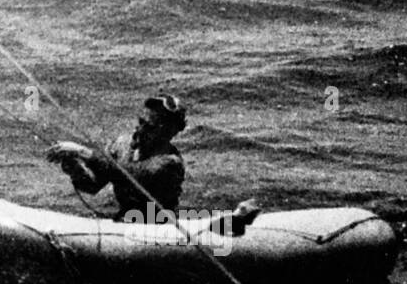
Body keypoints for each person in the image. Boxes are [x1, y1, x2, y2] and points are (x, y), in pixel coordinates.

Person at [46, 94, 260, 235]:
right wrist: (74, 167)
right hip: (125, 222)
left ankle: (236, 220)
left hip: (159, 227)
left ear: (168, 132)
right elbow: (93, 186)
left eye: (149, 127)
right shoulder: (122, 144)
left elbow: (126, 174)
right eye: (140, 123)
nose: (140, 130)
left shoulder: (169, 163)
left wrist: (81, 151)